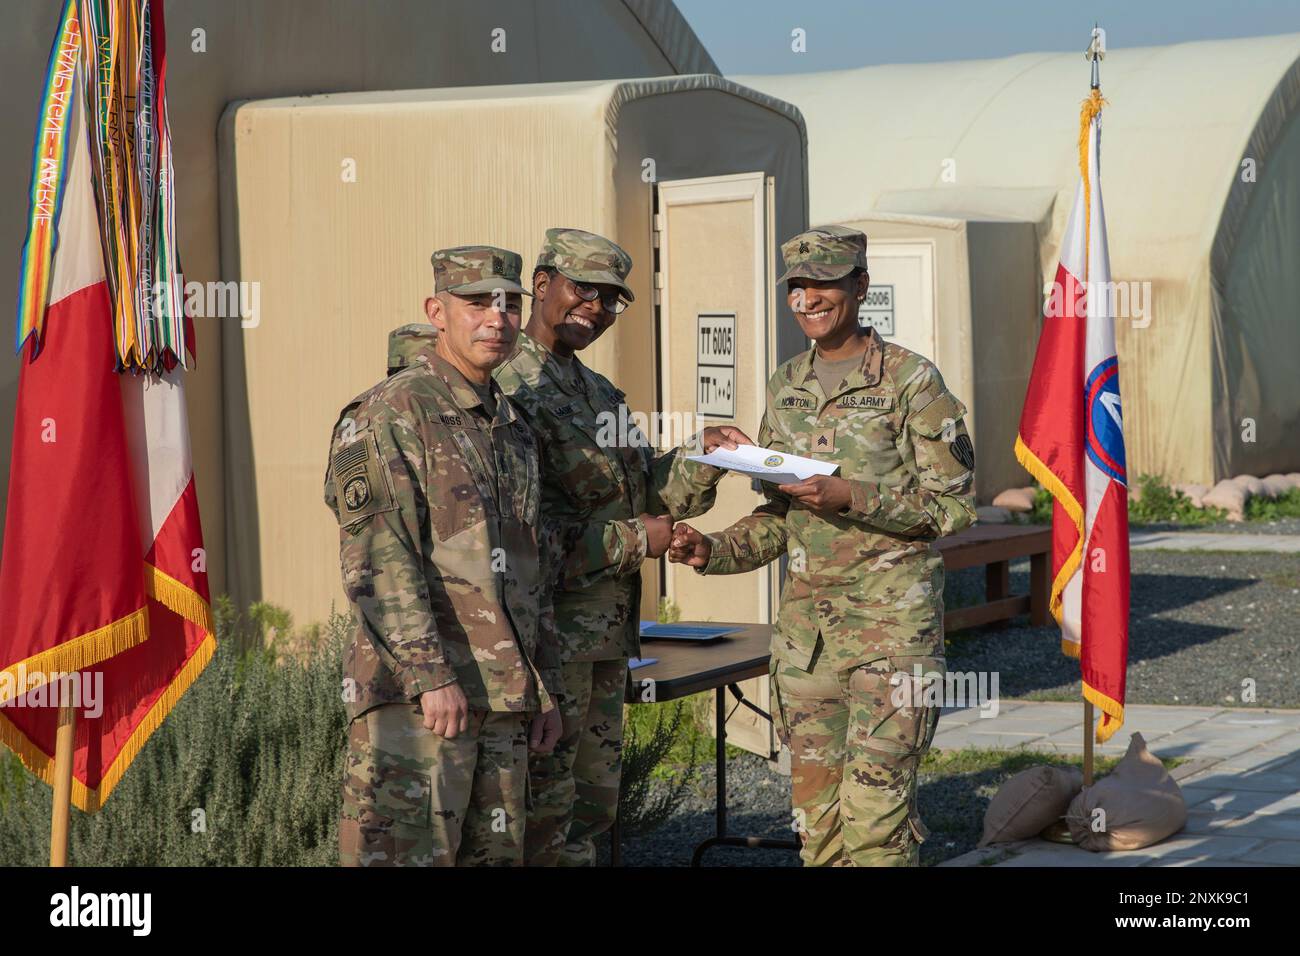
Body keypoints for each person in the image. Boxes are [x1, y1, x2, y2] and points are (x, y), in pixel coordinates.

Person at [668, 225, 976, 867]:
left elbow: (952, 506)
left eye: (824, 284)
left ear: (860, 287)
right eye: (798, 287)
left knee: (876, 826)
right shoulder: (787, 387)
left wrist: (852, 496)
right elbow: (779, 514)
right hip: (807, 645)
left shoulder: (912, 381)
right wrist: (713, 549)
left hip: (889, 640)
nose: (808, 299)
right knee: (817, 827)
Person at [494, 227, 747, 865]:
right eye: (584, 289)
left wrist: (703, 456)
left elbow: (643, 491)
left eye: (611, 299)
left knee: (588, 813)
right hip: (543, 642)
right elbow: (510, 539)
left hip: (603, 641)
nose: (597, 308)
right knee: (539, 815)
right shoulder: (504, 388)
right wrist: (638, 539)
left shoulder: (597, 391)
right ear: (542, 284)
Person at [325, 245, 564, 866]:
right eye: (478, 301)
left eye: (510, 303)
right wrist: (431, 676)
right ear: (437, 311)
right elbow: (378, 561)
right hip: (423, 704)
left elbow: (527, 571)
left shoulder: (509, 422)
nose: (498, 317)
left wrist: (542, 686)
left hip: (503, 701)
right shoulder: (391, 412)